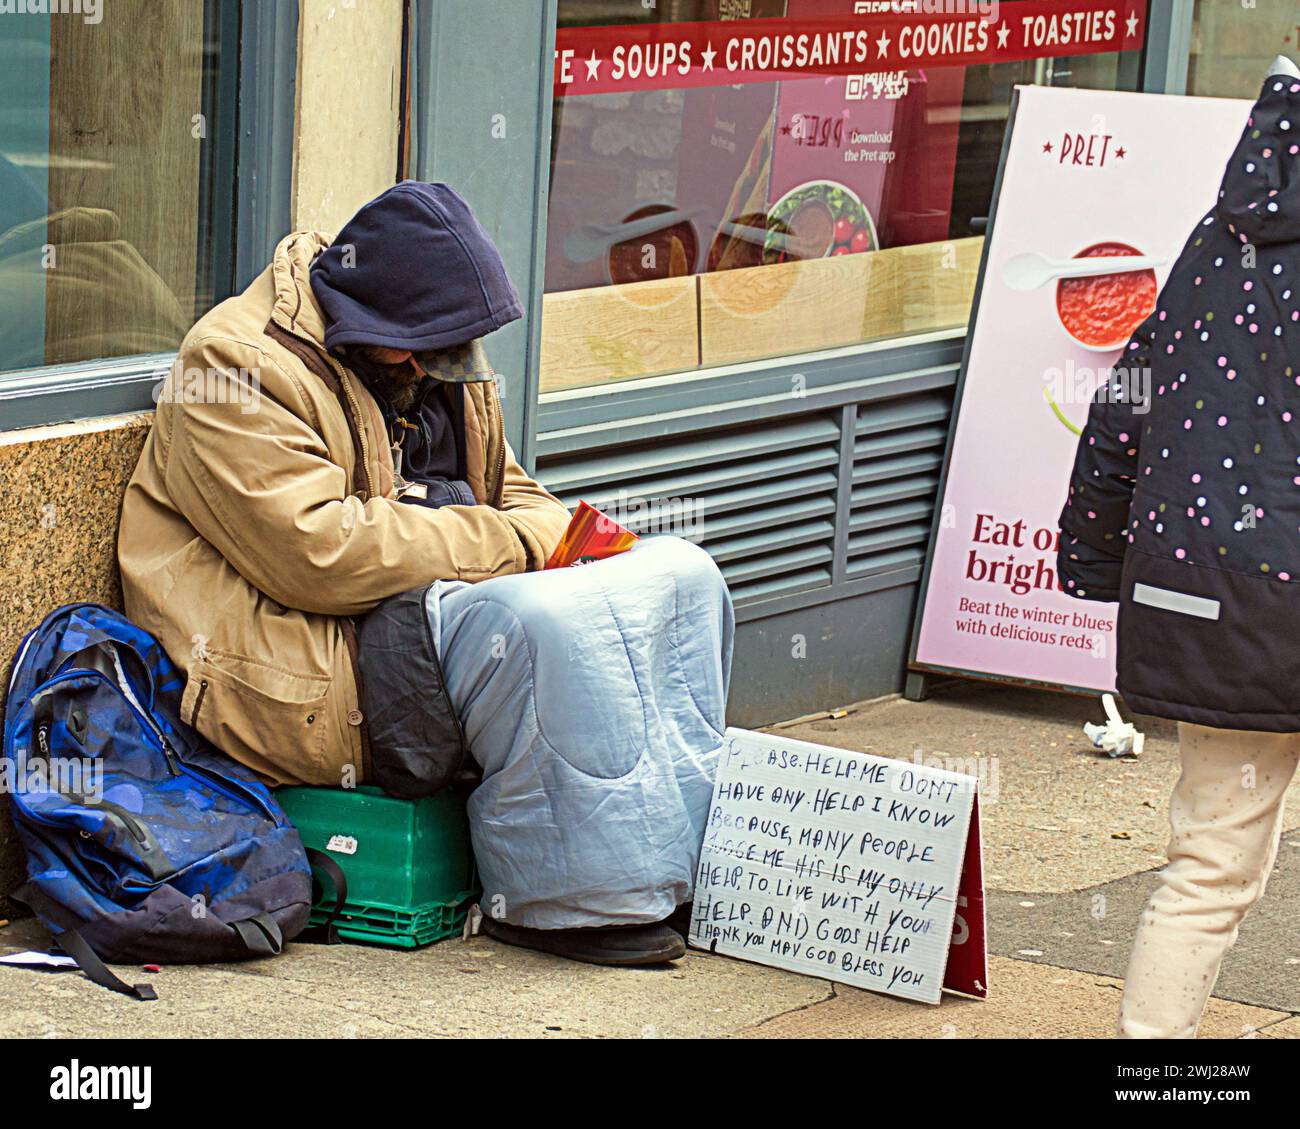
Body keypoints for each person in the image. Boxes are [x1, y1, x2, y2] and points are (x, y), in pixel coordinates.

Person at [118, 181, 733, 967]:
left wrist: (544, 538)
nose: (436, 366)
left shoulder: (437, 357)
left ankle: (680, 868)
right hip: (303, 655)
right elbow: (321, 553)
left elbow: (515, 496)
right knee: (534, 624)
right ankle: (564, 902)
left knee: (678, 575)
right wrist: (515, 543)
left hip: (416, 606)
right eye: (421, 349)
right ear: (370, 317)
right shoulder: (235, 366)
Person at [1058, 58, 1300, 1037]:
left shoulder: (1219, 236)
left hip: (1215, 594)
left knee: (1205, 871)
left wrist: (1091, 554)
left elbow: (1126, 397)